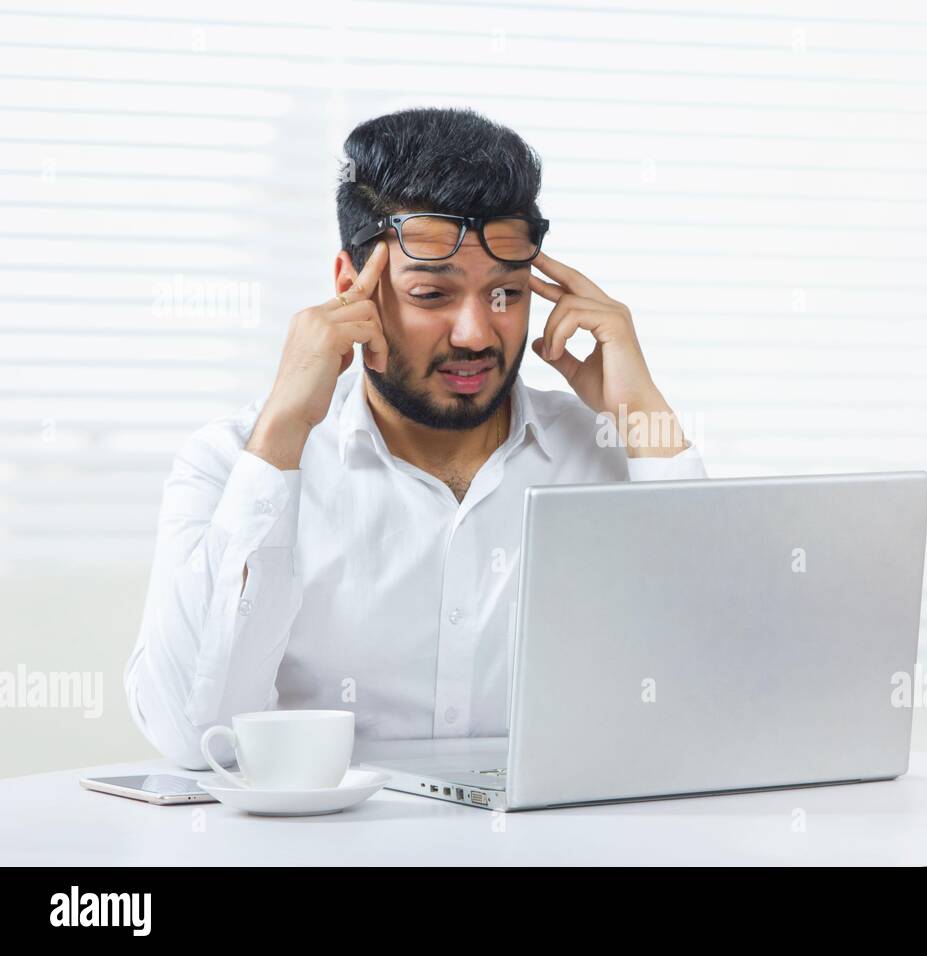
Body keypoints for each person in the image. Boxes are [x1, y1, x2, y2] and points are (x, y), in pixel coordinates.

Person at [124, 107, 706, 769]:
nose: (476, 334)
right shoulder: (234, 463)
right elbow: (190, 735)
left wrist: (643, 414)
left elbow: (714, 692)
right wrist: (284, 428)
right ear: (353, 290)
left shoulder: (610, 457)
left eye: (507, 294)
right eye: (432, 294)